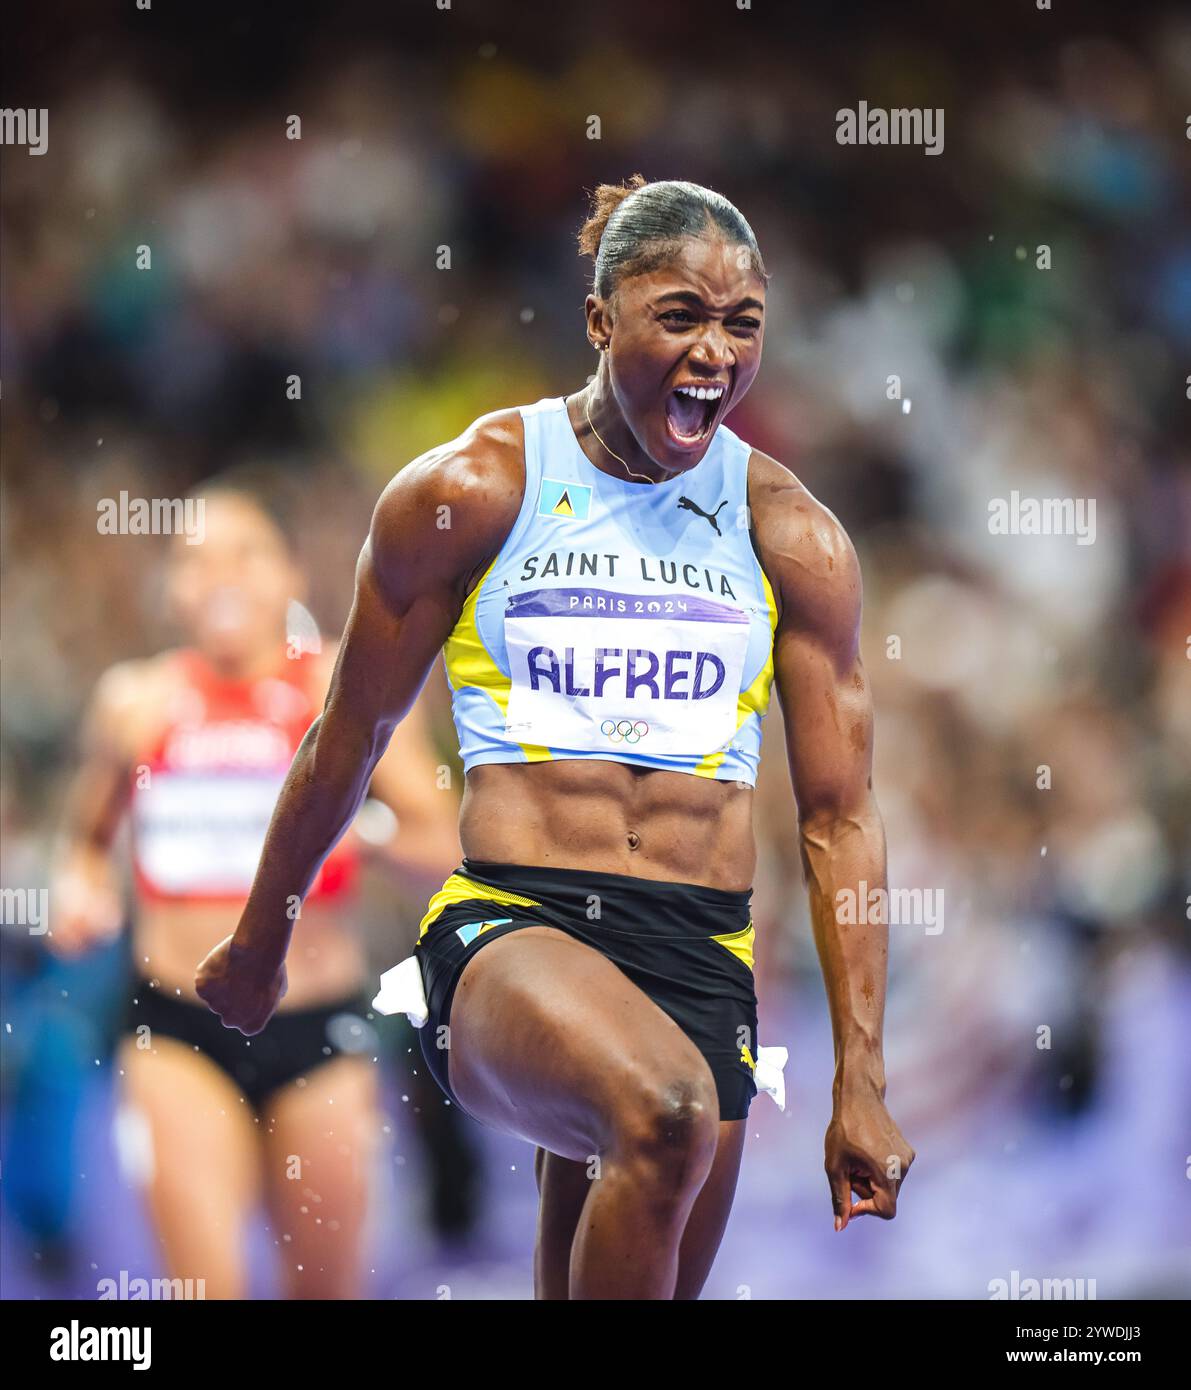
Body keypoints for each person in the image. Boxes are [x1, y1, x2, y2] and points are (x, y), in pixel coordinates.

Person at [197, 176, 915, 1299]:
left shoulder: (794, 535)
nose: (715, 352)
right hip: (512, 930)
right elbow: (347, 736)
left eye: (743, 322)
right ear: (598, 319)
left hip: (701, 953)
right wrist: (261, 937)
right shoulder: (471, 492)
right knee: (665, 1112)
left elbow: (839, 814)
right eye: (679, 315)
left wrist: (860, 1076)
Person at [50, 480, 460, 1298]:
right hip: (176, 1031)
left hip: (319, 1031)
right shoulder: (135, 703)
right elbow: (84, 844)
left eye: (245, 553)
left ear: (292, 574)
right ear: (169, 588)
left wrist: (358, 829)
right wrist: (78, 889)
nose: (220, 578)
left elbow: (442, 845)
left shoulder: (344, 698)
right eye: (193, 560)